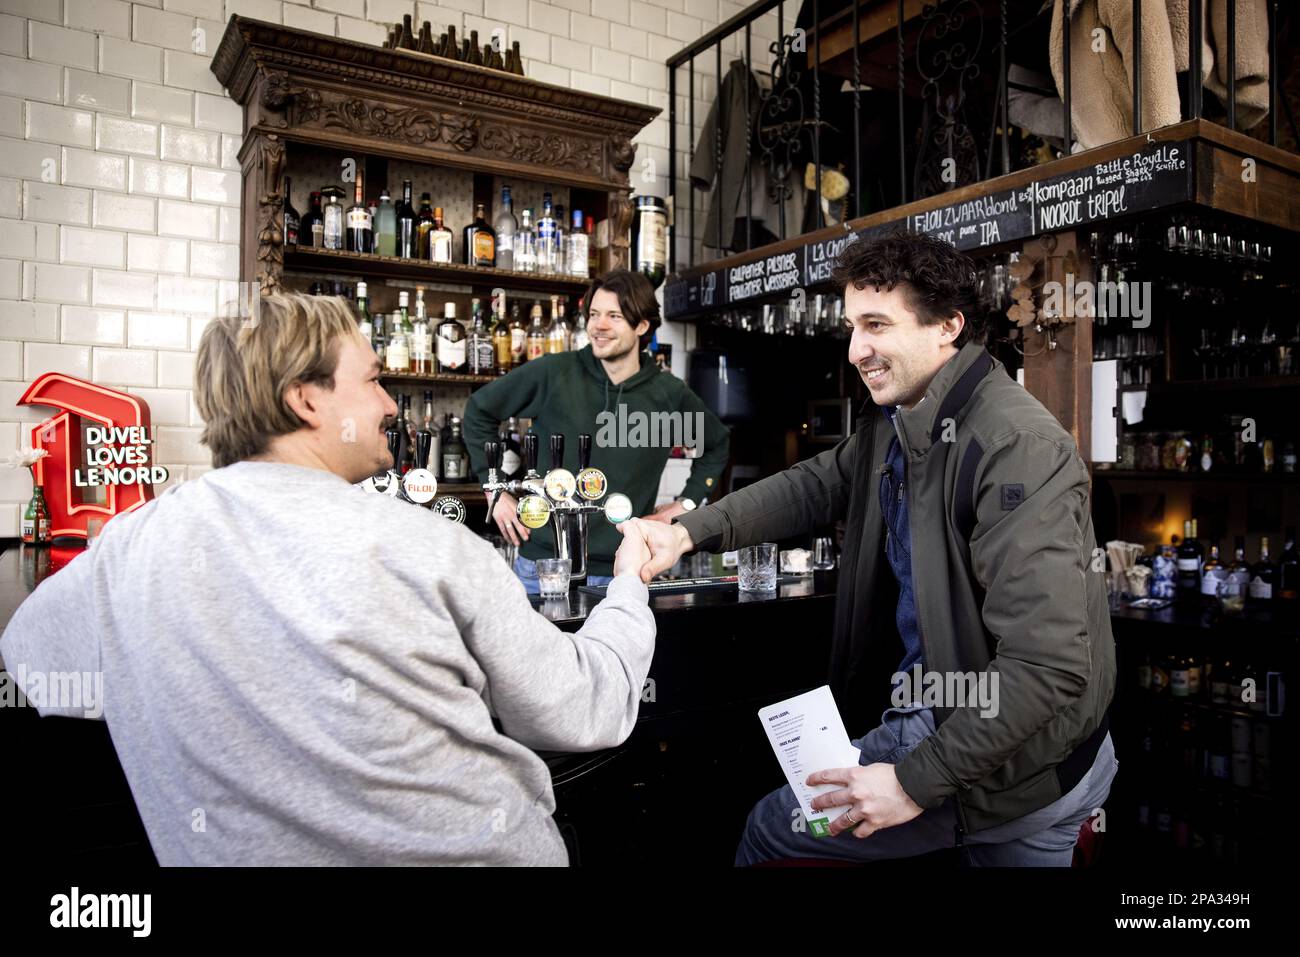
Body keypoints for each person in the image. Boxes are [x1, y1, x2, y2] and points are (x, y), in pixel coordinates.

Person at [0, 294, 659, 866]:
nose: (388, 404)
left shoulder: (133, 544)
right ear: (306, 399)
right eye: (371, 380)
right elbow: (584, 709)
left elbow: (31, 658)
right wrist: (629, 586)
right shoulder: (425, 544)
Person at [636, 233, 1117, 866]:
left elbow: (1048, 667)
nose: (857, 350)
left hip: (1013, 764)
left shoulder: (1016, 446)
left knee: (771, 835)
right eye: (851, 327)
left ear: (948, 326)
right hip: (979, 733)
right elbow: (813, 485)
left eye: (876, 325)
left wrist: (912, 783)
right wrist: (687, 531)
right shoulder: (902, 423)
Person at [463, 270, 730, 594]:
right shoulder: (553, 373)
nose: (599, 326)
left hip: (624, 570)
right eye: (594, 314)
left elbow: (715, 444)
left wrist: (686, 503)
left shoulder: (667, 394)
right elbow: (479, 410)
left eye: (614, 316)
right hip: (543, 567)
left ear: (642, 326)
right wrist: (494, 486)